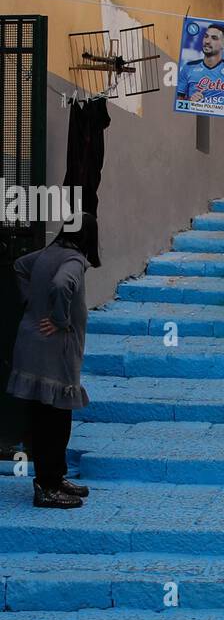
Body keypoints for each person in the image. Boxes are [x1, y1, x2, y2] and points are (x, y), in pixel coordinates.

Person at [8, 213, 99, 508]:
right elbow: (62, 285)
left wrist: (32, 305)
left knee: (45, 416)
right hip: (54, 352)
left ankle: (54, 478)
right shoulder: (73, 261)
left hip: (32, 347)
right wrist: (59, 319)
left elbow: (19, 266)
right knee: (55, 420)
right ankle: (47, 487)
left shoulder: (48, 253)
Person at [175, 24, 224, 111]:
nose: (207, 41)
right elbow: (178, 102)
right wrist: (189, 102)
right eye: (206, 36)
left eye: (214, 38)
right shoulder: (188, 68)